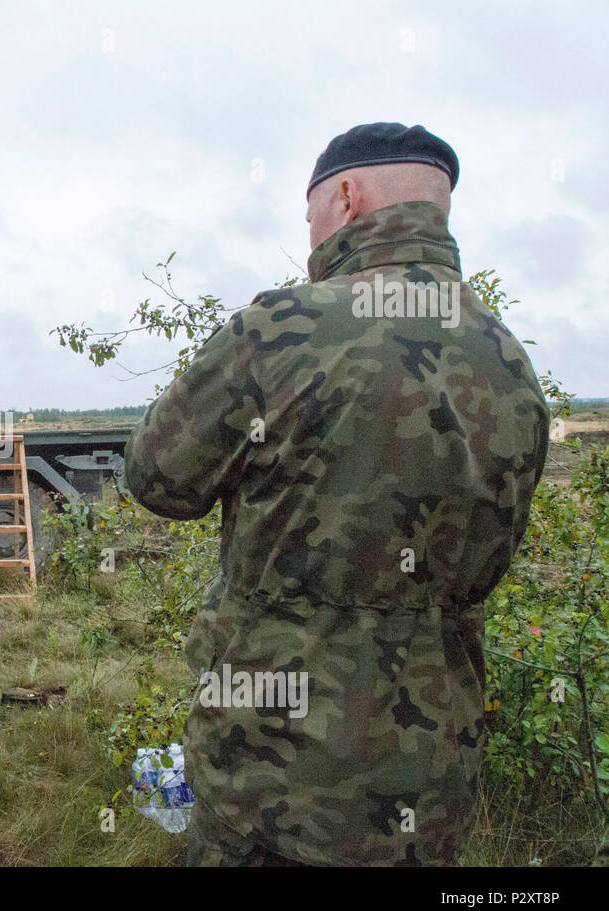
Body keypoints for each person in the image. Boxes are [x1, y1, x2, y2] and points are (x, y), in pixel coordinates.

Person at [126, 123, 549, 866]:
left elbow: (157, 480)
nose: (314, 231)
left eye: (313, 212)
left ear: (346, 198)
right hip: (433, 779)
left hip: (271, 778)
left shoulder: (281, 330)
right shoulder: (509, 359)